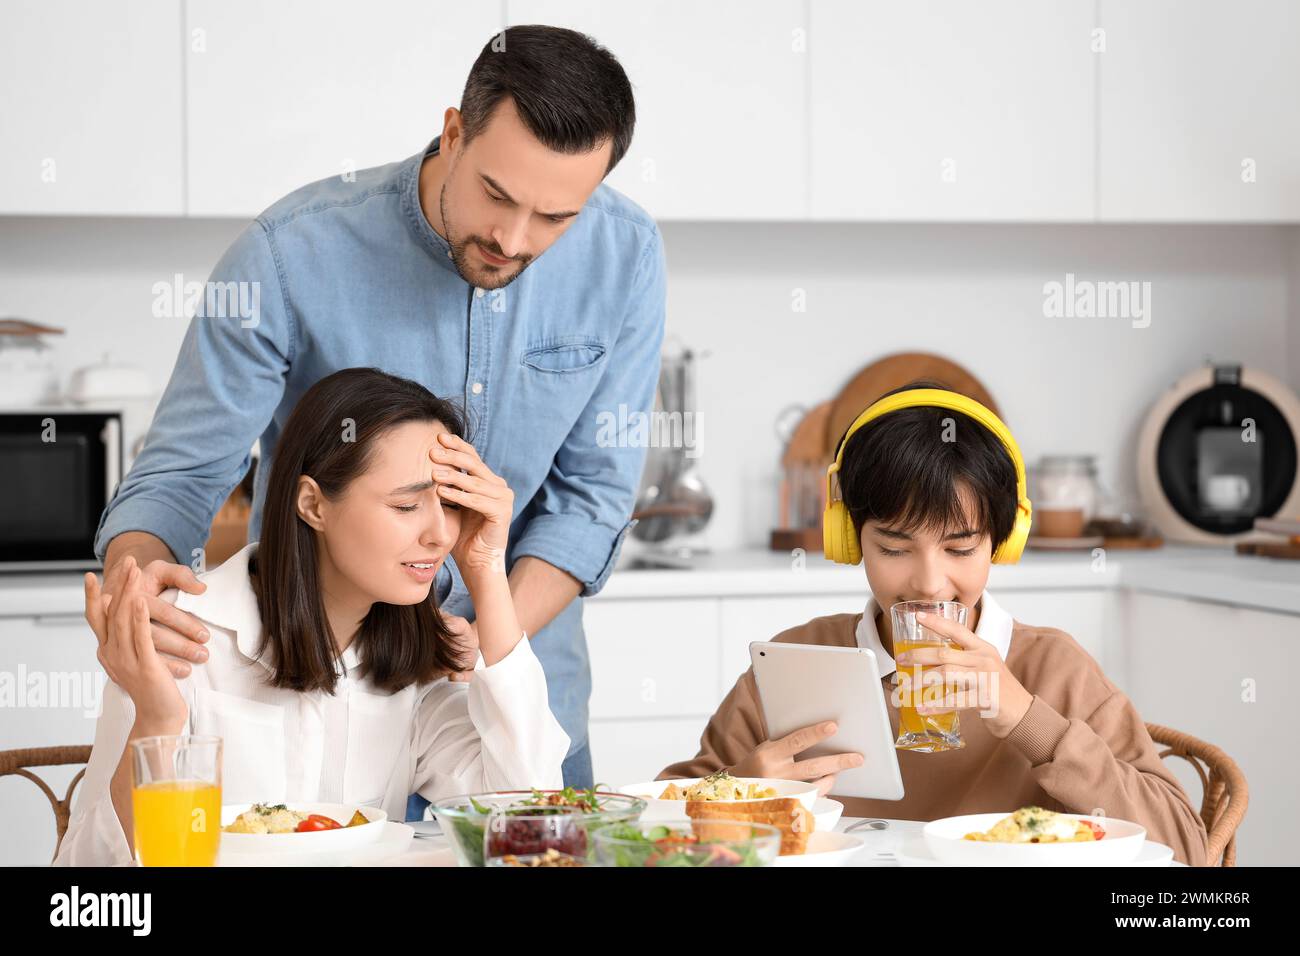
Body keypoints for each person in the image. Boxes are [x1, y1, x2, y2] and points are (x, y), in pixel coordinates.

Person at [89, 25, 665, 803]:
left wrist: (477, 643)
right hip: (316, 695)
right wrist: (137, 594)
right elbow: (183, 475)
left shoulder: (625, 257)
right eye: (496, 194)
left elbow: (592, 501)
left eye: (556, 217)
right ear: (454, 132)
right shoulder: (292, 255)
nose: (513, 238)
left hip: (517, 702)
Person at [658, 382, 1210, 866]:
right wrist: (743, 788)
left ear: (1002, 542)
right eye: (894, 548)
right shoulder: (795, 660)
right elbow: (649, 830)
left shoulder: (1054, 668)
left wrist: (1028, 722)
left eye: (960, 547)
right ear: (848, 540)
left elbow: (1185, 849)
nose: (929, 582)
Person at [56, 368, 569, 865]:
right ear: (313, 504)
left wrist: (486, 570)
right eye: (406, 507)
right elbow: (93, 881)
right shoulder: (180, 634)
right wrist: (157, 718)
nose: (440, 535)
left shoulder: (415, 667)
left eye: (451, 505)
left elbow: (530, 824)